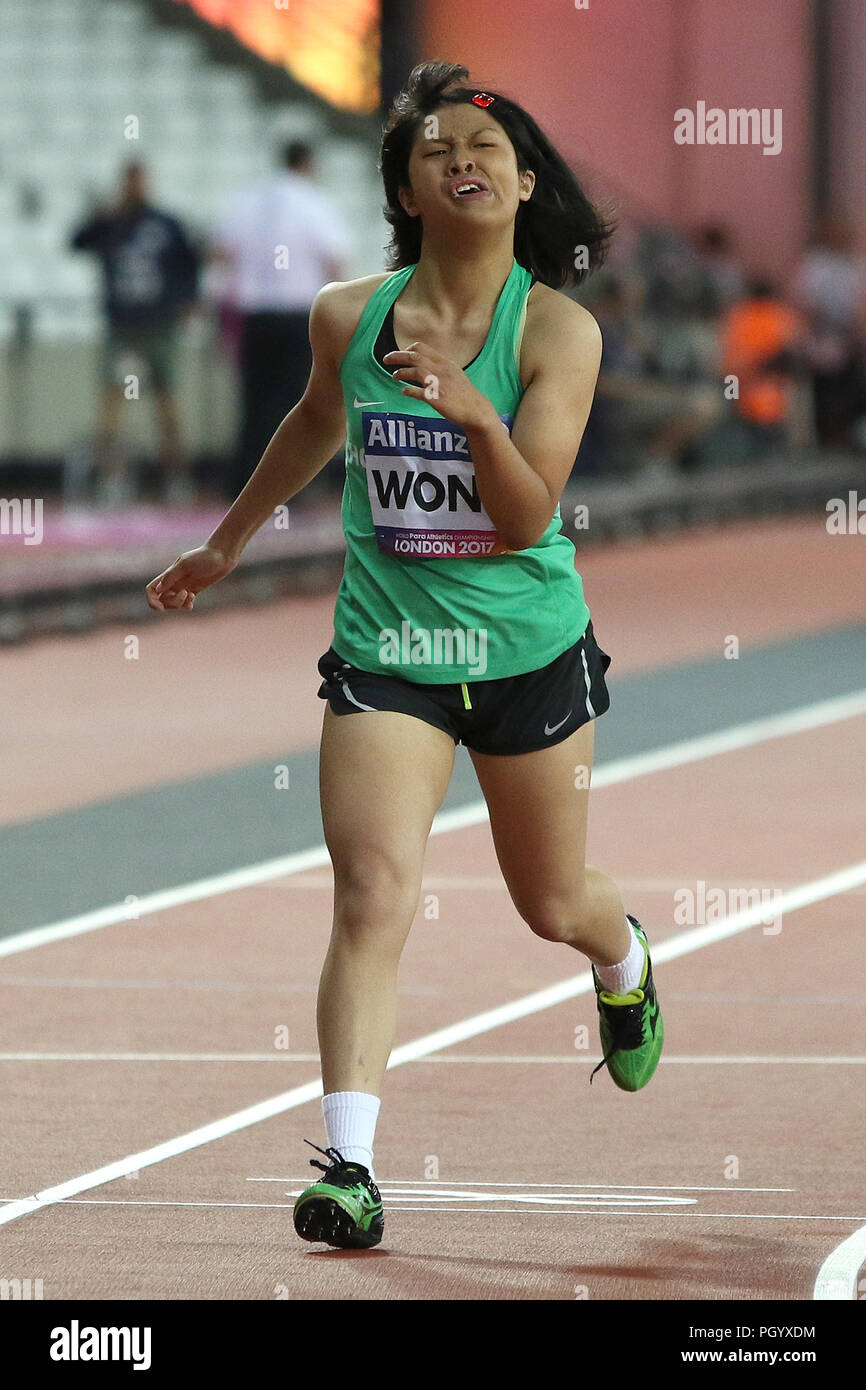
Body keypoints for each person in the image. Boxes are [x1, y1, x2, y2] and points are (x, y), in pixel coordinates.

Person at [145, 61, 665, 1252]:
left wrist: (469, 411)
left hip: (525, 649)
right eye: (434, 150)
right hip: (390, 649)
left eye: (485, 148)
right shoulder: (350, 315)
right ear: (406, 188)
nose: (462, 161)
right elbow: (313, 419)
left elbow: (528, 515)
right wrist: (227, 541)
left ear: (525, 183)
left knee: (550, 902)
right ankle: (351, 1168)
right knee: (373, 891)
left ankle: (623, 953)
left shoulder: (558, 330)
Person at [211, 140, 351, 499]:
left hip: (255, 313)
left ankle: (243, 483)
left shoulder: (247, 202)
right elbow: (335, 260)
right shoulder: (314, 204)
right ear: (307, 164)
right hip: (298, 315)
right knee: (296, 402)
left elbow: (221, 254)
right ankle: (291, 487)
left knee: (253, 401)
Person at [69, 161, 200, 506]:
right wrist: (100, 215)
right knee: (113, 399)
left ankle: (175, 474)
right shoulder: (112, 221)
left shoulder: (166, 223)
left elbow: (190, 265)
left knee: (166, 400)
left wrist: (187, 301)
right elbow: (77, 241)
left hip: (158, 323)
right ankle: (112, 476)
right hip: (121, 323)